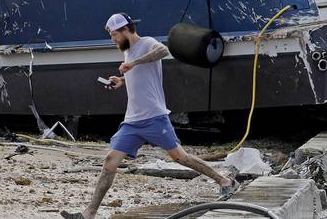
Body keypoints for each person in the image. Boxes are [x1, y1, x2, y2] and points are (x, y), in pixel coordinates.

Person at [62, 13, 235, 219]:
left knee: (181, 157)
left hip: (154, 117)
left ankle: (225, 181)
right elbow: (139, 76)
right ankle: (88, 214)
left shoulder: (146, 43)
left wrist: (134, 63)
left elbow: (163, 50)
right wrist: (121, 80)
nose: (112, 39)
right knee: (109, 162)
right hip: (132, 121)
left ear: (126, 30)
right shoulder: (128, 51)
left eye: (114, 34)